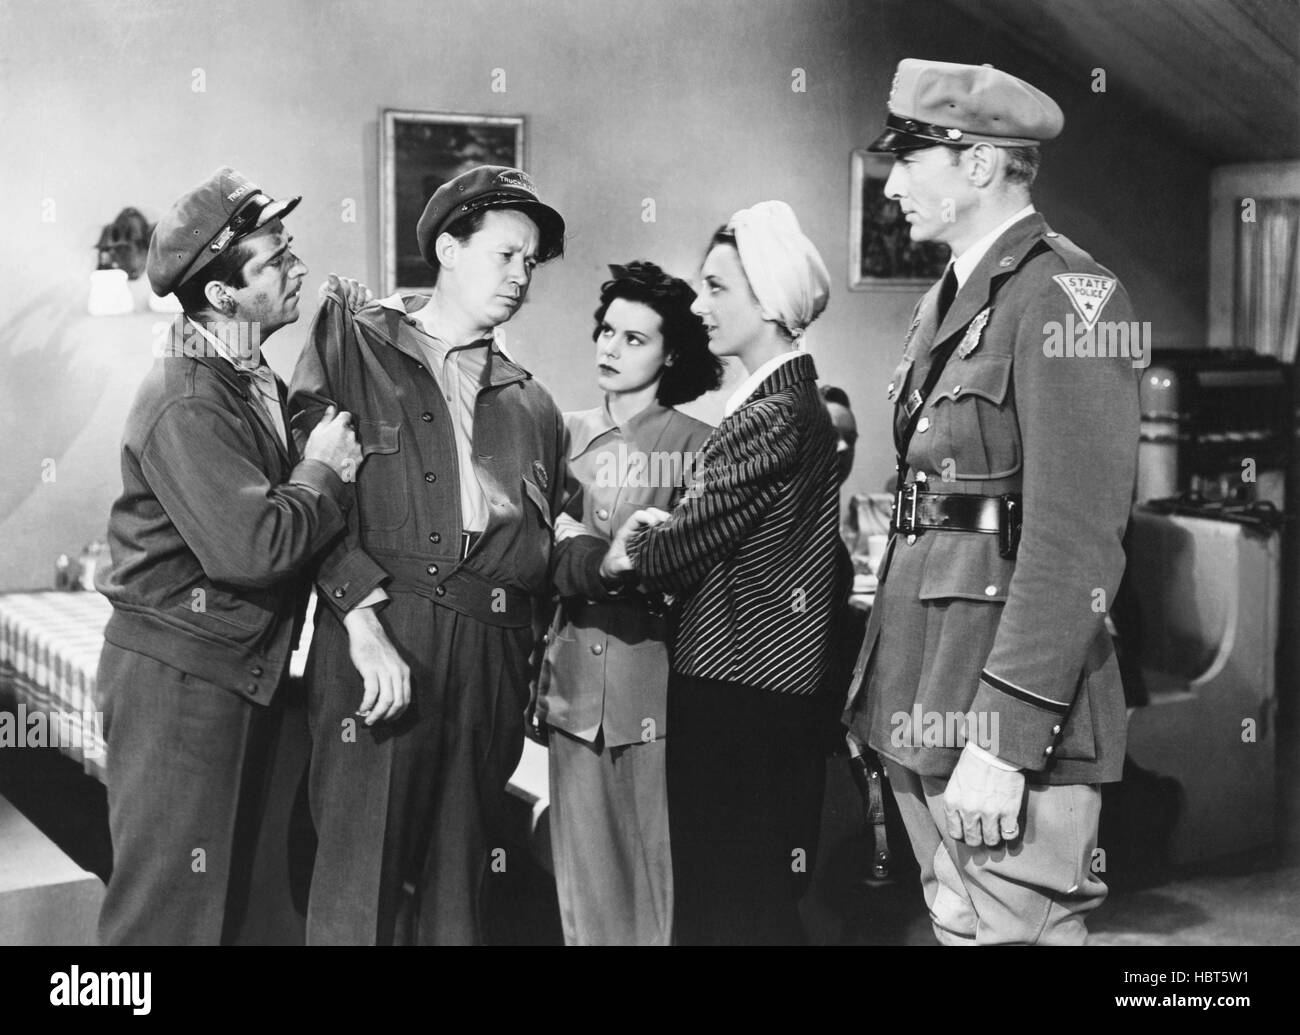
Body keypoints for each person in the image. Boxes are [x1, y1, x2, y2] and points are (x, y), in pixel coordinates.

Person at [842, 59, 1140, 945]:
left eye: (910, 157)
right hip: (923, 680)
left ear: (978, 164)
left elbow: (1077, 538)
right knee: (959, 924)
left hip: (998, 699)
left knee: (1021, 928)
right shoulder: (956, 295)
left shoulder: (1072, 298)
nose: (891, 183)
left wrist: (1006, 736)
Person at [287, 165, 568, 945]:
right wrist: (362, 621)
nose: (521, 276)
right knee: (357, 891)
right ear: (448, 245)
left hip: (488, 658)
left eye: (531, 263)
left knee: (461, 898)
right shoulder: (354, 345)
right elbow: (313, 493)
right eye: (506, 254)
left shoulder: (533, 404)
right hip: (383, 634)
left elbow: (548, 547)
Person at [569, 201, 852, 945]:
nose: (701, 304)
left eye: (718, 287)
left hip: (738, 686)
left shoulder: (772, 413)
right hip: (756, 685)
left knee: (733, 900)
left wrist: (631, 542)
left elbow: (678, 549)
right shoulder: (784, 401)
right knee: (742, 896)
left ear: (767, 299)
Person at [95, 166, 364, 944]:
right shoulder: (186, 396)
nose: (297, 268)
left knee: (228, 911)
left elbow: (286, 452)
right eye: (275, 258)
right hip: (180, 689)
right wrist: (322, 469)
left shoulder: (245, 376)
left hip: (230, 674)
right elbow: (254, 546)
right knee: (165, 920)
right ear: (222, 296)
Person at [534, 261, 722, 946]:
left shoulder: (698, 444)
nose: (610, 348)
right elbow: (537, 558)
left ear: (672, 353)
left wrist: (584, 543)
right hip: (571, 689)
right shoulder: (559, 435)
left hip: (655, 689)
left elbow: (689, 572)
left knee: (651, 894)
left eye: (634, 338)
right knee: (582, 902)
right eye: (606, 331)